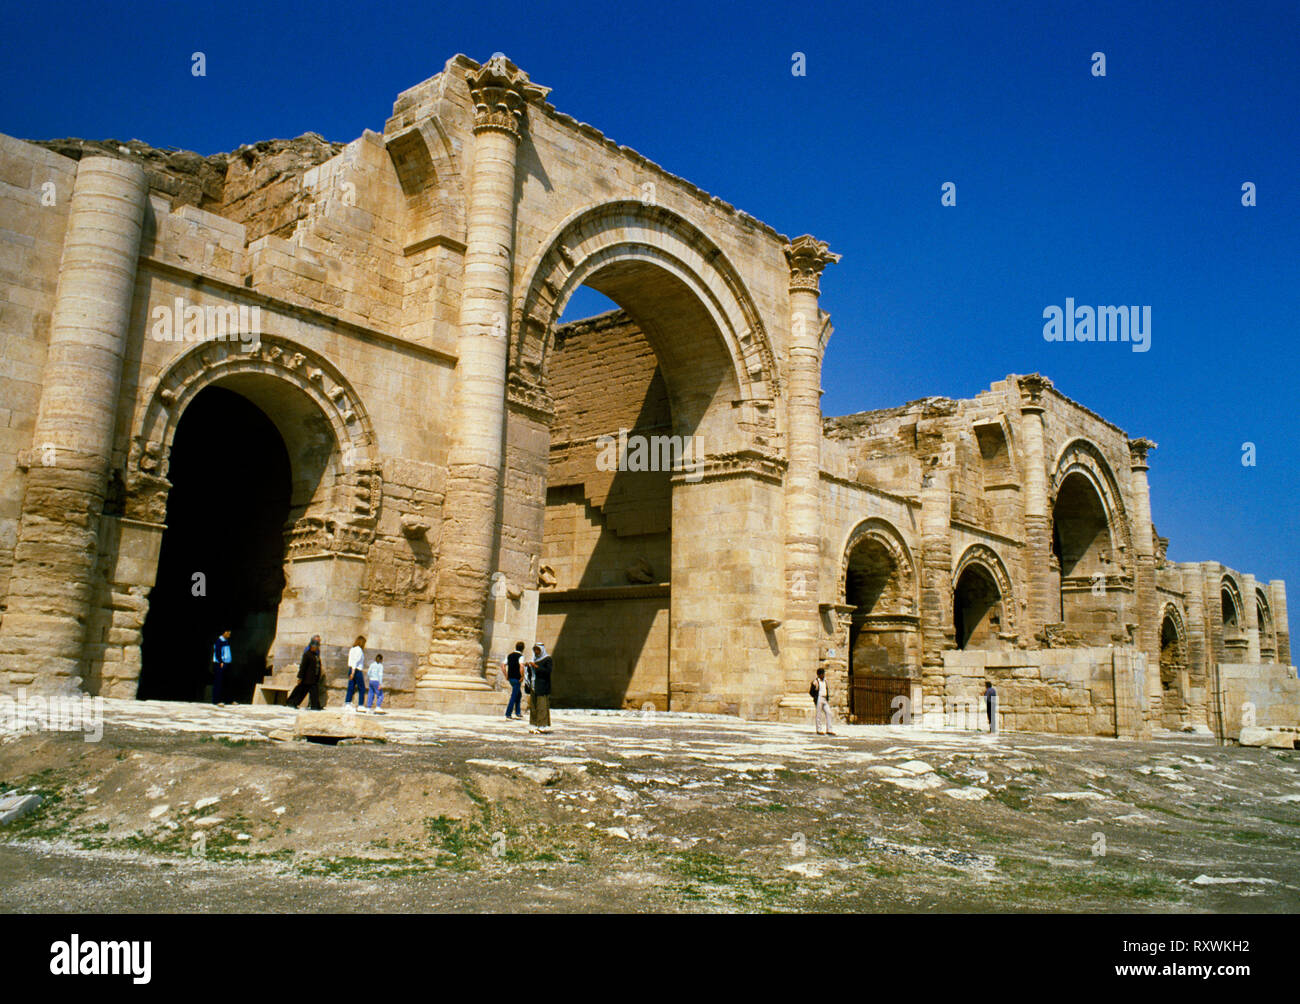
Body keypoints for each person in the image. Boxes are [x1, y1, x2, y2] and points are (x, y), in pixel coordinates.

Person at [287, 635, 323, 709]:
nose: (316, 646)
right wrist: (300, 677)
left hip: (313, 677)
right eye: (316, 644)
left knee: (313, 692)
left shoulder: (316, 654)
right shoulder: (307, 654)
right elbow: (303, 666)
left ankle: (315, 706)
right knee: (300, 690)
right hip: (307, 677)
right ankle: (292, 702)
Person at [528, 643, 553, 734]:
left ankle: (542, 725)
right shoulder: (534, 659)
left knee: (542, 706)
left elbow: (548, 671)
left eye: (537, 650)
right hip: (534, 685)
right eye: (534, 650)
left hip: (542, 686)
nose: (536, 652)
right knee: (533, 706)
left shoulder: (547, 659)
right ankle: (533, 724)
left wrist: (536, 667)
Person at [344, 635, 368, 710]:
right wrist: (353, 672)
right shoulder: (359, 650)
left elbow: (351, 661)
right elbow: (355, 661)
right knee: (362, 688)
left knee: (351, 687)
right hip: (356, 670)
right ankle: (360, 705)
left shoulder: (352, 649)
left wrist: (351, 671)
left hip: (351, 669)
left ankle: (347, 703)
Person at [503, 641, 525, 720]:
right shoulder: (520, 656)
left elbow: (503, 665)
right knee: (514, 695)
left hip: (511, 678)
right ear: (523, 649)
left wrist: (506, 675)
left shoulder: (509, 655)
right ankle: (508, 713)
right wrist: (522, 676)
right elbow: (521, 666)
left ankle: (518, 712)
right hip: (517, 678)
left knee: (518, 694)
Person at [811, 666, 836, 736]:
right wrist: (815, 696)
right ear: (819, 675)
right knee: (819, 714)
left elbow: (826, 689)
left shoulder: (825, 681)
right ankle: (819, 729)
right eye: (822, 674)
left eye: (823, 674)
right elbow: (811, 691)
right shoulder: (815, 682)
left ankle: (829, 729)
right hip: (819, 698)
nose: (823, 675)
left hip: (824, 698)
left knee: (829, 713)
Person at [211, 629, 232, 705]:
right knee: (218, 682)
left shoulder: (226, 641)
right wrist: (221, 661)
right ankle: (216, 700)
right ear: (224, 632)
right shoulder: (219, 641)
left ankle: (228, 700)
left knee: (227, 683)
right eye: (228, 632)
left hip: (227, 663)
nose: (229, 633)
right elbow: (217, 652)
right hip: (220, 664)